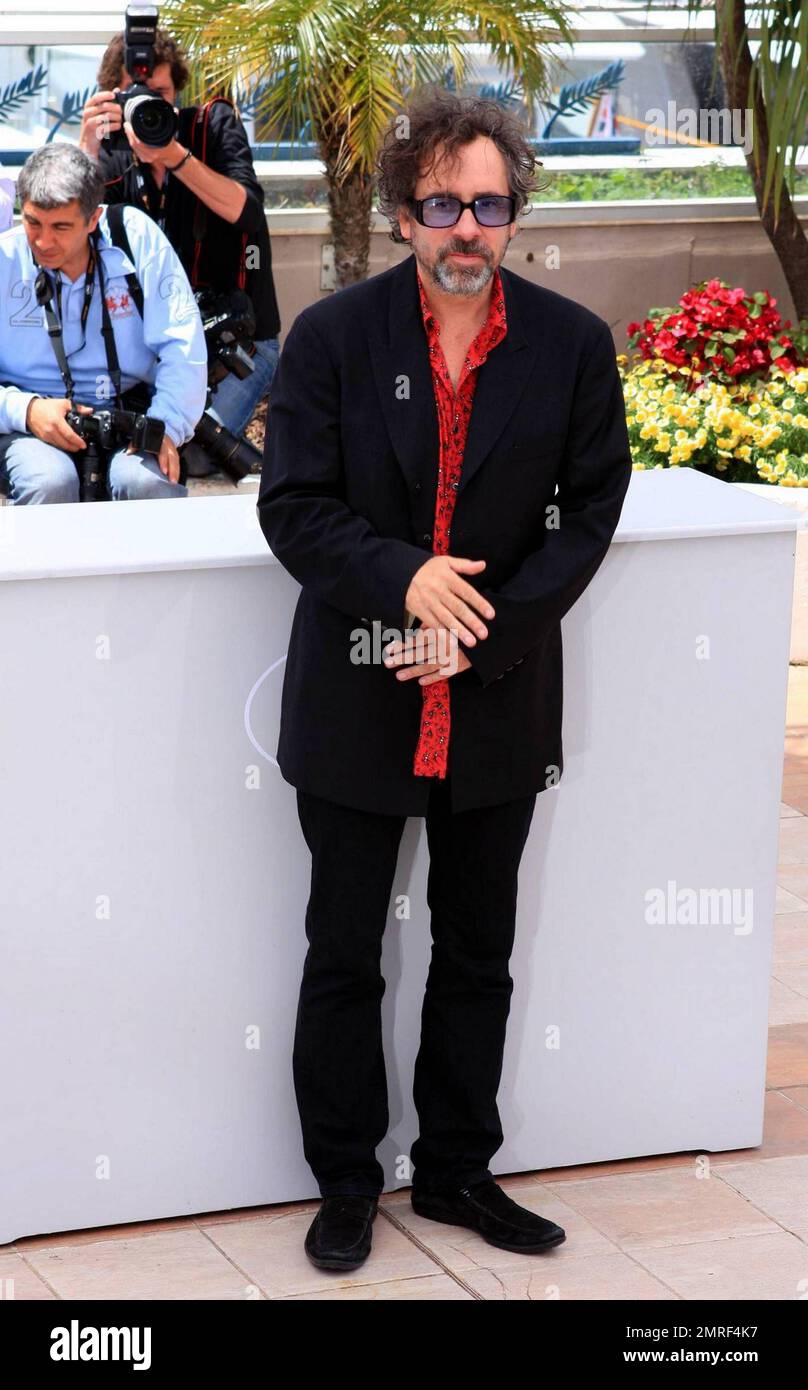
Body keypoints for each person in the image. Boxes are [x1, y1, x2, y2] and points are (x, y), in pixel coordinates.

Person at [257, 89, 633, 1272]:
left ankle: (459, 1171)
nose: (465, 228)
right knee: (345, 950)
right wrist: (404, 579)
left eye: (485, 204)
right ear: (403, 211)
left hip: (495, 694)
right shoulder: (331, 338)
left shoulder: (573, 345)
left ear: (514, 210)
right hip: (360, 690)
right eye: (440, 204)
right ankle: (347, 1181)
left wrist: (480, 627)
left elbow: (585, 517)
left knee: (478, 949)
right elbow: (295, 507)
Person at [78, 25, 281, 476]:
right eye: (137, 97)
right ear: (113, 100)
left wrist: (174, 157)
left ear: (179, 89)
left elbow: (246, 212)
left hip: (239, 348)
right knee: (135, 453)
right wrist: (85, 148)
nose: (152, 108)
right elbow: (69, 237)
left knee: (191, 457)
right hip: (152, 350)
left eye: (162, 94)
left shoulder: (212, 126)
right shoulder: (109, 152)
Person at [0, 143, 207, 504]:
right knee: (49, 482)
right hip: (28, 419)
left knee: (147, 485)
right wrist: (27, 411)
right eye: (32, 222)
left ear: (93, 219)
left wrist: (166, 427)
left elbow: (182, 345)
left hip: (130, 413)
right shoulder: (5, 257)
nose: (43, 241)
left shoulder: (135, 237)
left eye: (61, 227)